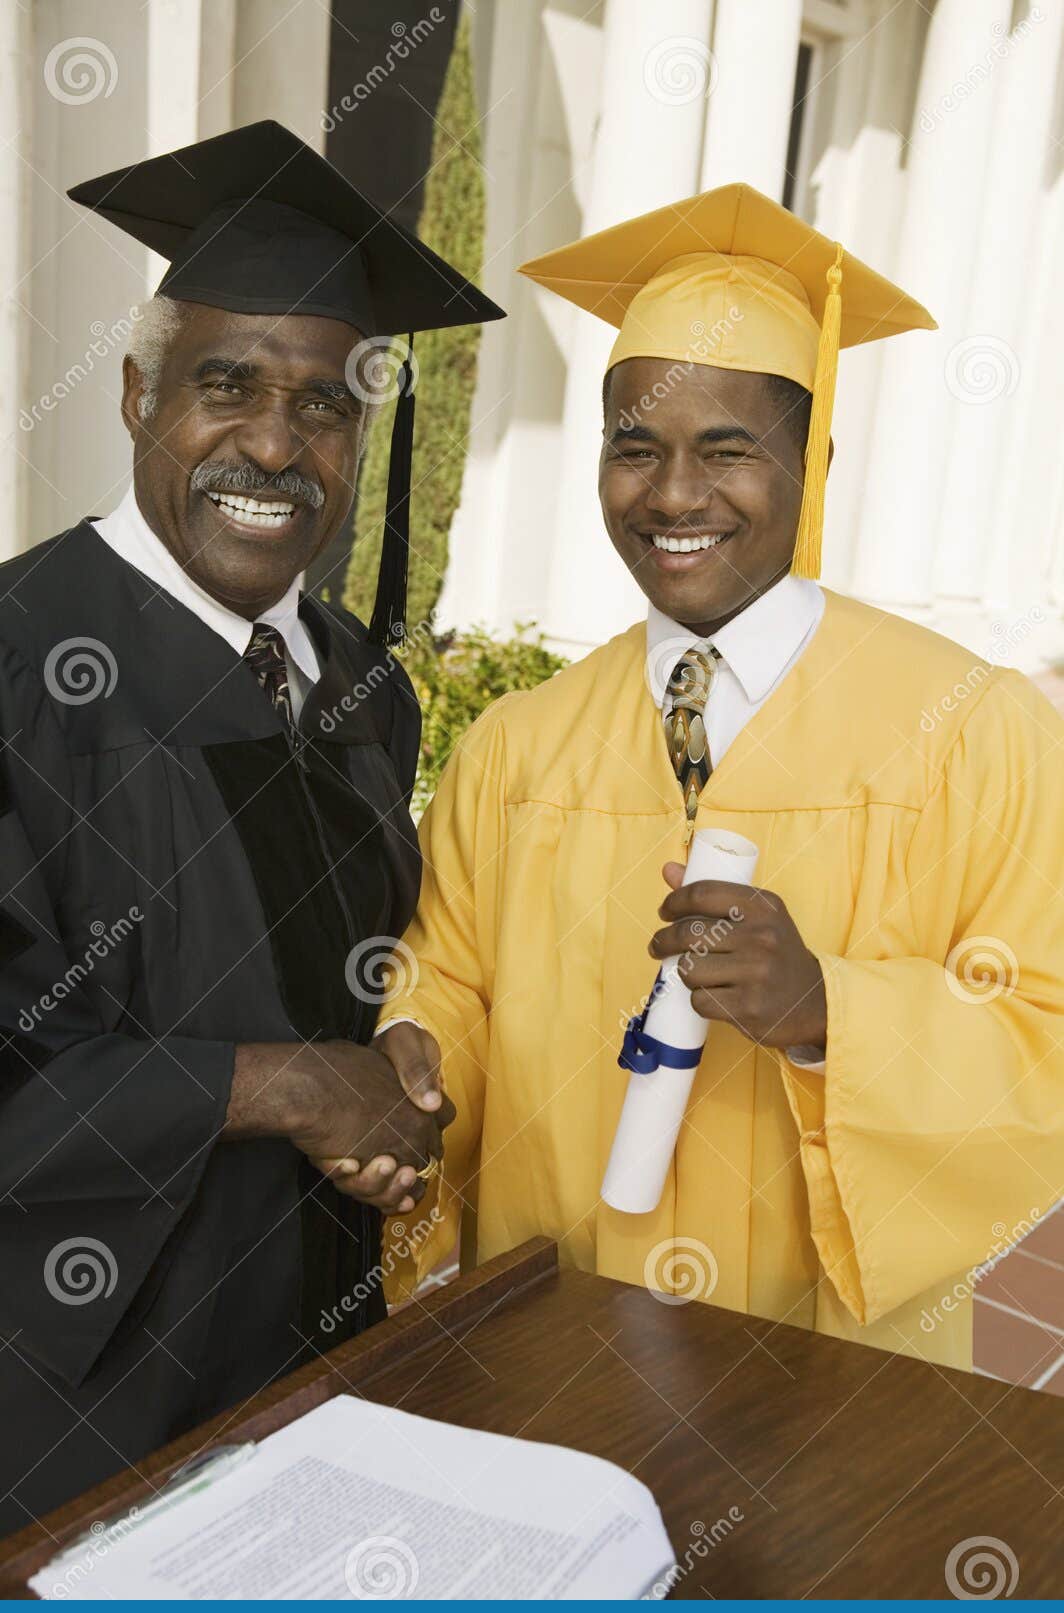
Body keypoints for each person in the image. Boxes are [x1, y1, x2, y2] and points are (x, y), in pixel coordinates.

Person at [367, 183, 1064, 1369]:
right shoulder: (519, 748)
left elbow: (1040, 1027)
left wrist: (827, 1011)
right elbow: (453, 982)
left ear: (813, 457)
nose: (673, 495)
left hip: (835, 1361)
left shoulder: (975, 730)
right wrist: (413, 1066)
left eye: (725, 450)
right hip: (556, 1330)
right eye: (633, 449)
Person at [0, 120, 501, 1534]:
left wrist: (392, 1061)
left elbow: (353, 953)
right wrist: (283, 1084)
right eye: (227, 385)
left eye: (327, 405)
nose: (275, 443)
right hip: (70, 1395)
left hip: (320, 1348)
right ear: (135, 392)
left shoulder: (356, 683)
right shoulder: (20, 663)